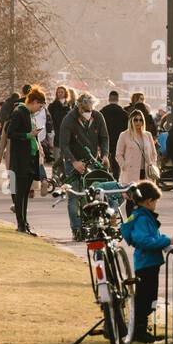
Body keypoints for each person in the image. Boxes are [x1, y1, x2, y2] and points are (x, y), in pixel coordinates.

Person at [120, 180, 173, 343]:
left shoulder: (141, 216)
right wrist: (167, 241)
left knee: (147, 297)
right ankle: (138, 330)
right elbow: (145, 240)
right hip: (147, 263)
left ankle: (140, 329)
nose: (156, 204)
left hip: (148, 263)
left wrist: (162, 239)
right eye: (155, 201)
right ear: (148, 201)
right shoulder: (142, 218)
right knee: (145, 298)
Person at [58, 93, 110, 238]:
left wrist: (105, 155)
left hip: (92, 160)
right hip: (72, 161)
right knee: (74, 195)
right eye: (85, 110)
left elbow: (104, 138)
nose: (88, 113)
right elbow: (64, 144)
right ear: (79, 107)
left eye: (90, 110)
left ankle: (92, 225)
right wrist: (74, 162)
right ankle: (76, 229)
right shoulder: (69, 119)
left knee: (94, 194)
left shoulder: (98, 117)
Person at [5, 88, 46, 234]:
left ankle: (25, 222)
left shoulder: (29, 115)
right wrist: (28, 135)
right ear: (34, 102)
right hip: (21, 158)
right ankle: (21, 223)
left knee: (25, 193)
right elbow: (10, 133)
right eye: (40, 106)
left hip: (30, 158)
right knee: (20, 193)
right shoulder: (19, 112)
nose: (39, 109)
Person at [115, 110, 158, 185]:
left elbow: (154, 153)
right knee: (132, 195)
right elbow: (118, 154)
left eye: (140, 120)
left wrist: (153, 164)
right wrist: (124, 165)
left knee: (146, 195)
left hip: (146, 172)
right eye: (135, 120)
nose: (138, 122)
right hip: (130, 172)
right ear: (131, 121)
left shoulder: (148, 135)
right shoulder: (124, 135)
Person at [100, 91, 128, 164]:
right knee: (116, 162)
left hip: (105, 140)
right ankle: (116, 175)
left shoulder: (102, 112)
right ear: (118, 99)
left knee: (104, 161)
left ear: (109, 99)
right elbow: (127, 129)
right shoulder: (123, 113)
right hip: (119, 140)